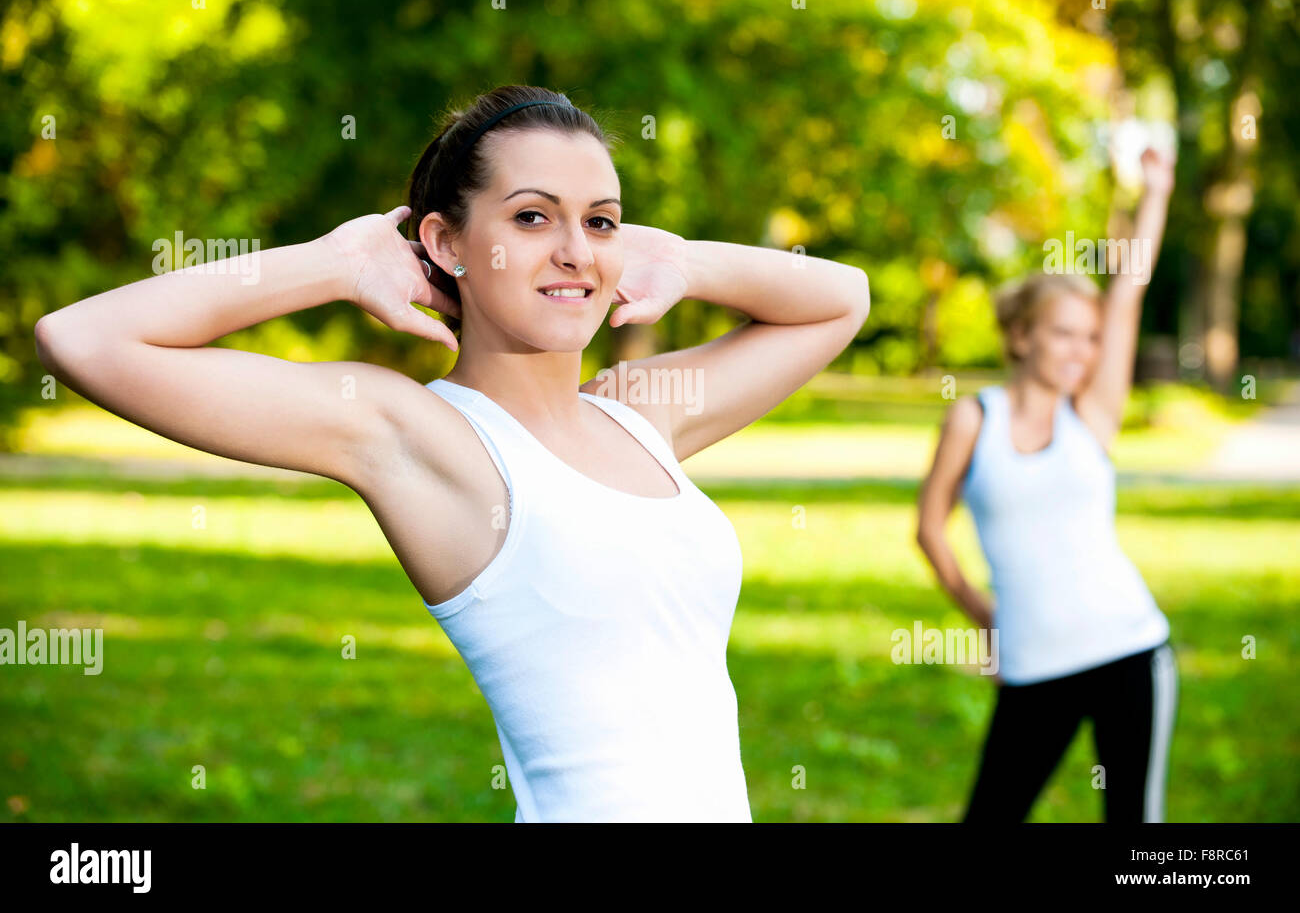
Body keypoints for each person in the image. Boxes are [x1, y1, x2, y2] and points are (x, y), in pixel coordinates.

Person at [33, 85, 871, 822]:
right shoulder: (423, 436)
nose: (576, 249)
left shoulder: (639, 416)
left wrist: (681, 258)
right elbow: (85, 339)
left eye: (601, 219)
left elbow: (841, 299)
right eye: (533, 217)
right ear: (446, 243)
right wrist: (334, 264)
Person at [914, 147, 1178, 822]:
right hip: (1033, 662)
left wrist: (1157, 190)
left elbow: (1129, 293)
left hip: (1129, 648)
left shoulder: (1093, 413)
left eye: (1090, 340)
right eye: (1064, 334)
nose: (1081, 352)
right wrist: (985, 618)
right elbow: (929, 527)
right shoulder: (972, 418)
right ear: (1020, 334)